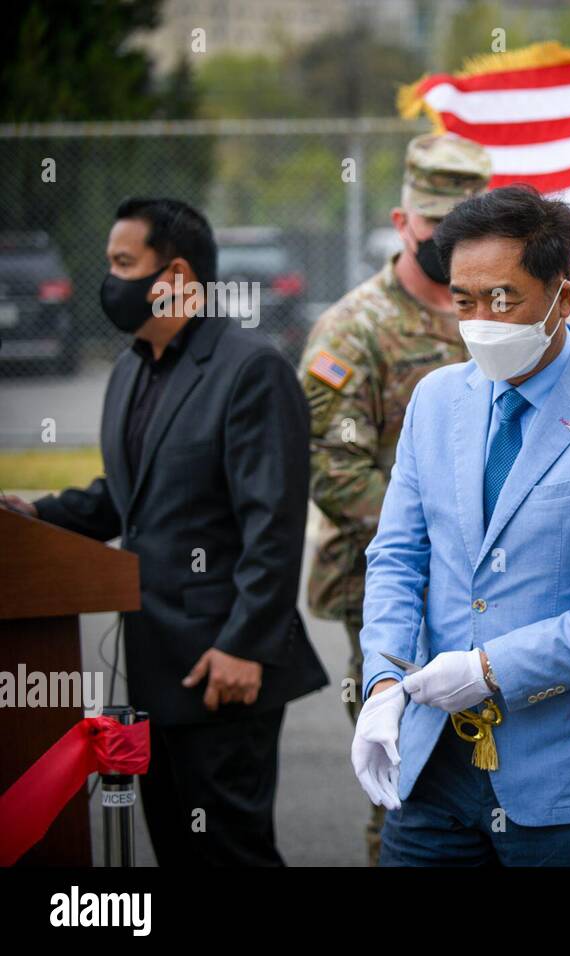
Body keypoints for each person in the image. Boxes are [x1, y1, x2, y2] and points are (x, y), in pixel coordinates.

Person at [350, 184, 570, 866]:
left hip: (568, 779)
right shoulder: (437, 400)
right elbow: (397, 557)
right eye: (464, 301)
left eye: (503, 298)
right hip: (434, 764)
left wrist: (490, 668)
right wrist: (383, 681)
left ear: (563, 297)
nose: (481, 321)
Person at [2, 198, 327, 865]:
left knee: (232, 858)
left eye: (123, 264)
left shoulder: (249, 369)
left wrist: (244, 645)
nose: (109, 280)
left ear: (174, 273)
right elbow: (128, 499)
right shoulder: (132, 368)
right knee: (179, 852)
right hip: (155, 671)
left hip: (223, 672)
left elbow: (275, 524)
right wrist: (35, 517)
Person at [299, 132, 489, 865]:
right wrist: (445, 537)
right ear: (402, 220)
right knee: (408, 770)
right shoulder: (356, 331)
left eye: (464, 223)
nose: (448, 239)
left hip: (494, 588)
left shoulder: (497, 313)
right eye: (435, 224)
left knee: (493, 769)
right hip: (390, 585)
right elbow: (333, 471)